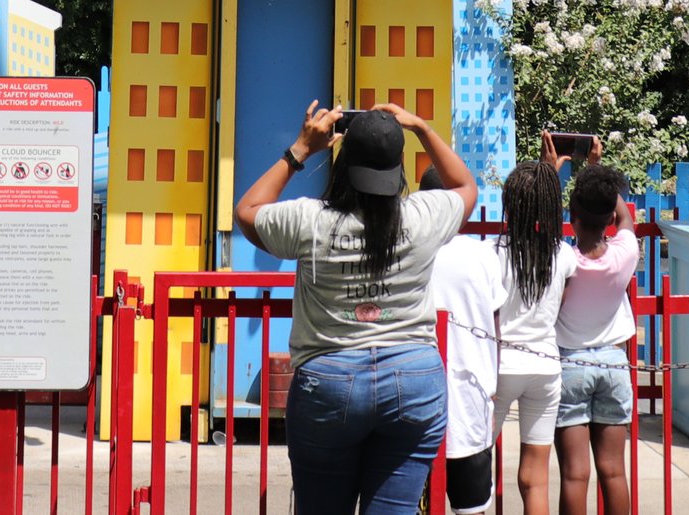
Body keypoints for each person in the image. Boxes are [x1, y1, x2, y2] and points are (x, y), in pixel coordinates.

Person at [234, 102, 478, 515]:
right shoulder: (423, 217)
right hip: (414, 378)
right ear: (397, 166)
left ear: (344, 162)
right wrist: (421, 128)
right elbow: (465, 187)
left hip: (329, 382)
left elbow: (247, 212)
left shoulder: (311, 221)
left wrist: (300, 149)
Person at [490, 154, 580, 515]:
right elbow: (561, 308)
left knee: (476, 465)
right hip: (545, 368)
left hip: (499, 367)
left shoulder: (493, 255)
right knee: (536, 478)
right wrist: (547, 177)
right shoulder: (563, 255)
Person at [553, 164, 639, 515]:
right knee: (614, 470)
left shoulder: (563, 259)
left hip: (570, 364)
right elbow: (626, 222)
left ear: (573, 215)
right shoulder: (624, 253)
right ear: (608, 217)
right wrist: (603, 182)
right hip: (614, 364)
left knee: (575, 475)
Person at [421, 165, 507, 515]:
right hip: (471, 397)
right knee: (472, 508)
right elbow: (496, 323)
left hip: (415, 396)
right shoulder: (482, 255)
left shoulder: (409, 253)